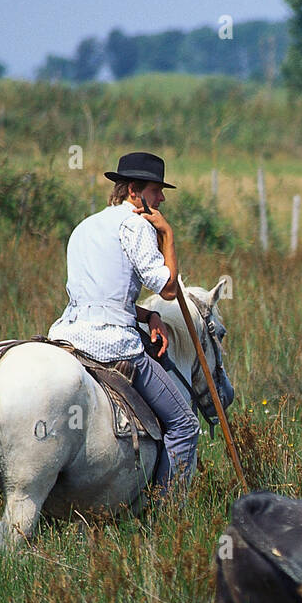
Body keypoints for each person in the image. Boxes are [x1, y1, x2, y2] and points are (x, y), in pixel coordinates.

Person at [49, 152, 200, 488]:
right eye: (156, 190)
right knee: (185, 425)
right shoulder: (136, 226)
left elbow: (103, 293)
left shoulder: (85, 226)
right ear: (134, 191)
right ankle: (170, 514)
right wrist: (168, 234)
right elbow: (170, 289)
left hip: (67, 336)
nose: (161, 198)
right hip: (113, 343)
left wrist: (148, 316)